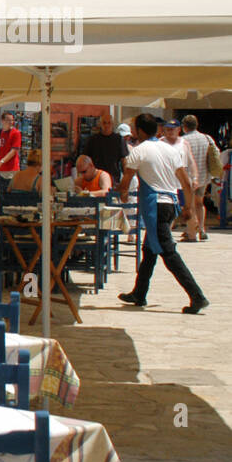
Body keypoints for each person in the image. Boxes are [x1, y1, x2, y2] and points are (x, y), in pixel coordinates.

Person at [117, 113, 207, 314]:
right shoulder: (170, 150)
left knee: (168, 252)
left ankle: (197, 296)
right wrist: (188, 207)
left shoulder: (138, 151)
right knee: (149, 250)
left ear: (139, 130)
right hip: (170, 204)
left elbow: (126, 180)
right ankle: (139, 293)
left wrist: (121, 192)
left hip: (155, 206)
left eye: (133, 128)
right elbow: (185, 181)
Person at [180, 115, 215, 242]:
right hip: (204, 176)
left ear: (184, 127)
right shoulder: (207, 138)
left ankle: (192, 233)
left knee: (189, 205)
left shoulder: (183, 140)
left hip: (188, 177)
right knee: (199, 203)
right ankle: (201, 228)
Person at [82, 113, 127, 184]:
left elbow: (123, 161)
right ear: (100, 124)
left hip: (114, 178)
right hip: (96, 178)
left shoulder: (119, 139)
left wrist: (126, 179)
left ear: (112, 124)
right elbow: (85, 159)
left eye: (109, 123)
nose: (106, 125)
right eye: (104, 123)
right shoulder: (93, 139)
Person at [0, 112, 21, 185]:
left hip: (11, 169)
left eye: (12, 120)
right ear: (2, 121)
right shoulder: (0, 132)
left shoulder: (16, 133)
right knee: (1, 192)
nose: (11, 122)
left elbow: (13, 151)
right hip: (1, 169)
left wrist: (1, 162)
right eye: (8, 120)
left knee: (10, 193)